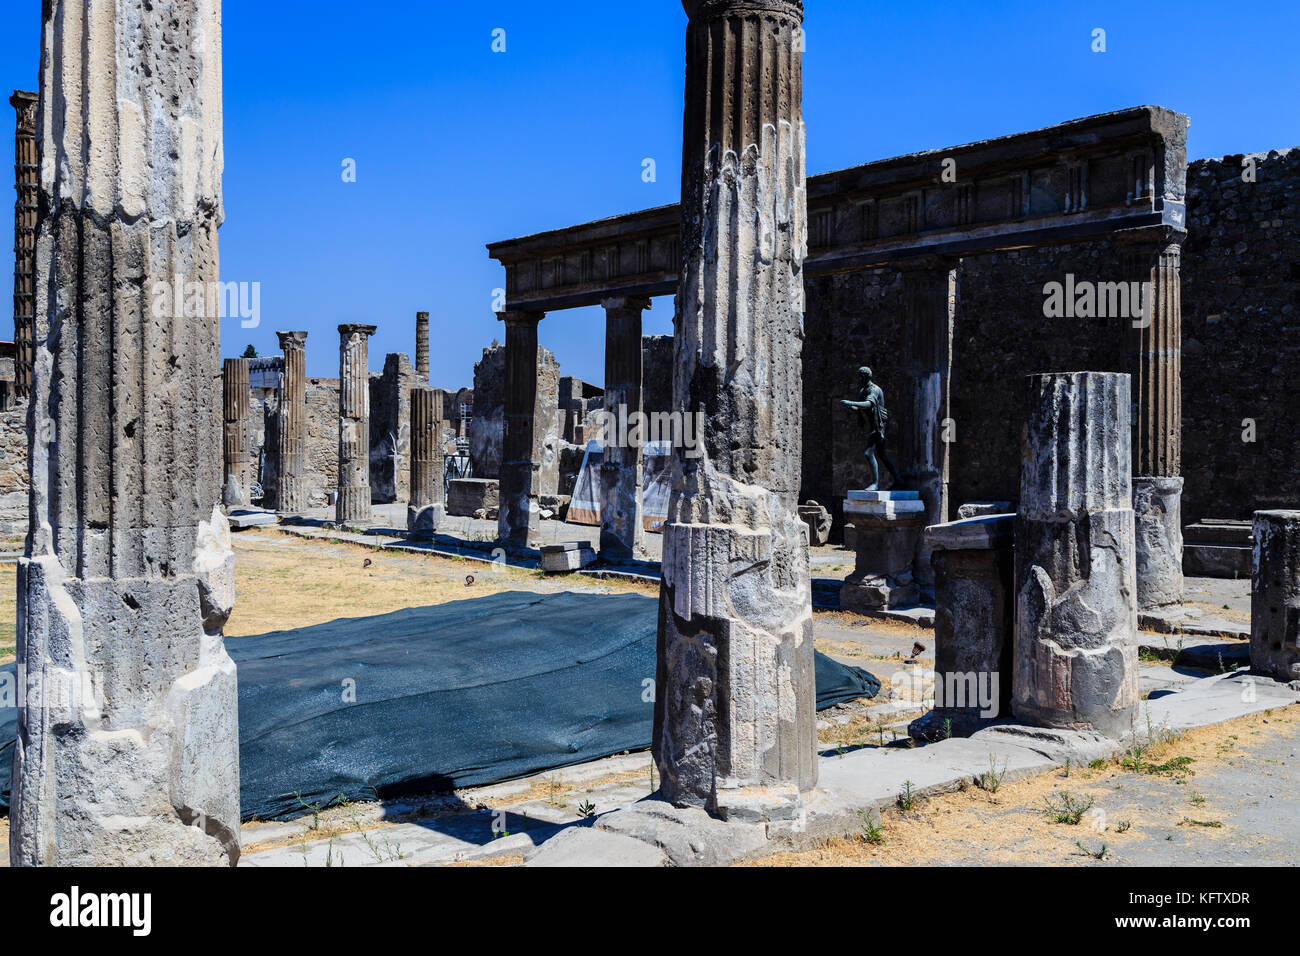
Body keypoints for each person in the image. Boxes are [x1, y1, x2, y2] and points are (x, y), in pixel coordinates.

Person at [839, 365, 900, 491]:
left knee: (868, 452)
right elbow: (859, 407)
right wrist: (850, 406)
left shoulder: (874, 390)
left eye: (860, 376)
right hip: (874, 425)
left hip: (880, 426)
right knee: (882, 455)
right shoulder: (863, 390)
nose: (859, 378)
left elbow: (868, 404)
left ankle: (875, 483)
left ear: (866, 376)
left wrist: (851, 403)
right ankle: (899, 480)